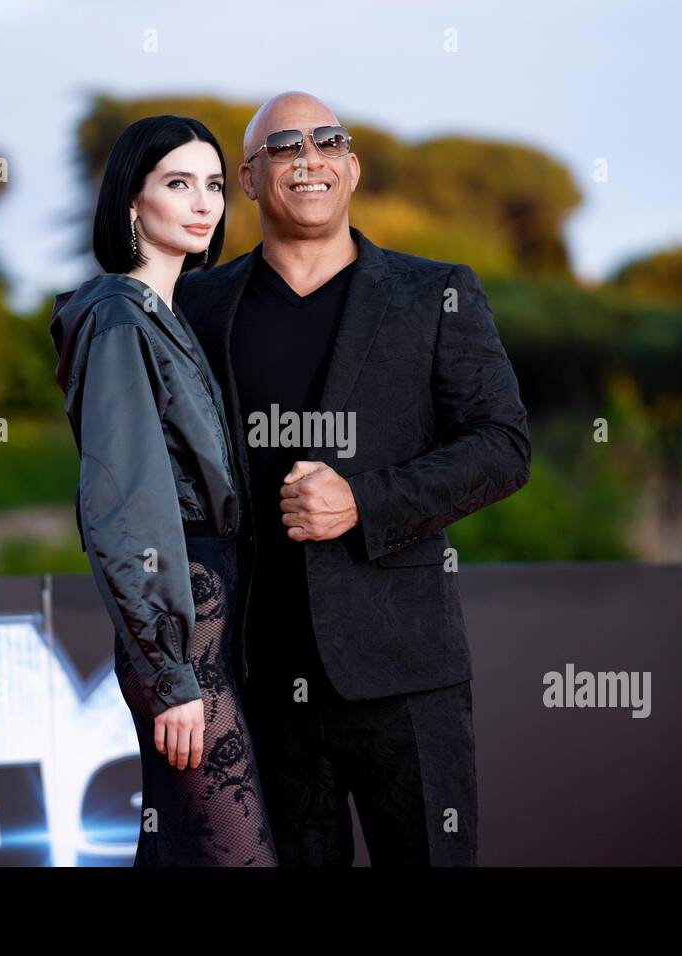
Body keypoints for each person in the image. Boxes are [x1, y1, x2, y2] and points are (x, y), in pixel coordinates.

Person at [175, 92, 531, 865]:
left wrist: (363, 501)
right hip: (259, 682)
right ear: (247, 178)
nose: (309, 157)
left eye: (328, 140)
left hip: (406, 676)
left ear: (352, 167)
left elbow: (504, 447)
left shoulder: (434, 293)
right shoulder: (197, 306)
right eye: (285, 146)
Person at [49, 115, 278, 866]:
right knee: (236, 856)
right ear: (130, 204)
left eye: (213, 184)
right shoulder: (118, 318)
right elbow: (122, 508)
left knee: (184, 852)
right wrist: (174, 674)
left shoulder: (161, 314)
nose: (204, 202)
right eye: (178, 184)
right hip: (180, 642)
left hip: (198, 632)